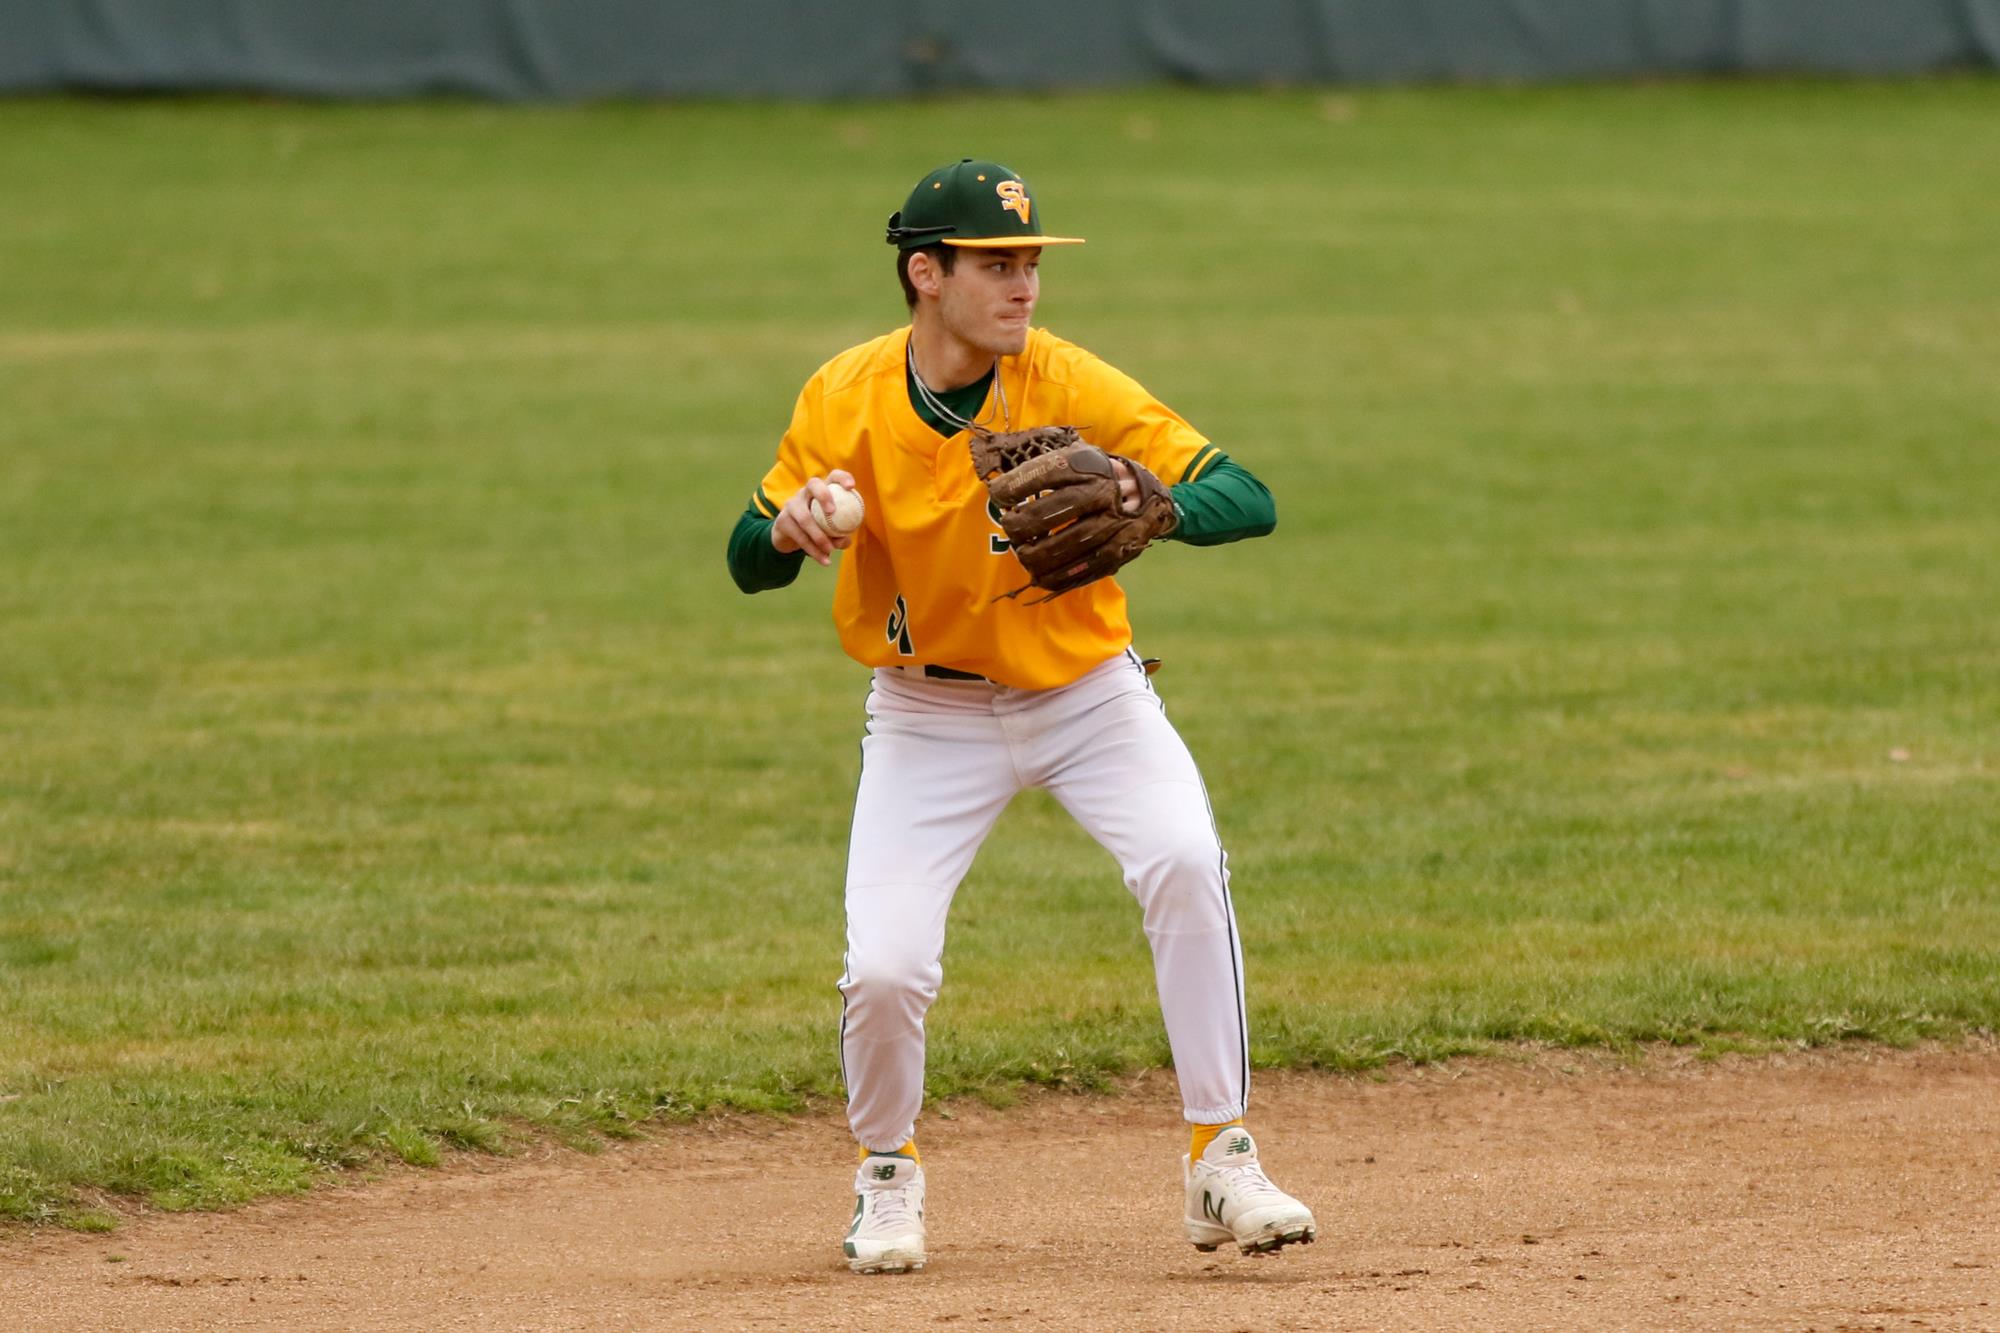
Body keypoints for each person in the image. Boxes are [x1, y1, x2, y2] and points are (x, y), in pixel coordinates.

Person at [725, 159, 1314, 1274]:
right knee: (887, 967)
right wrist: (790, 529)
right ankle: (885, 1174)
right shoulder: (843, 397)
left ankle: (1218, 1156)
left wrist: (1164, 503)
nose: (1024, 284)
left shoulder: (1065, 379)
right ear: (924, 273)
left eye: (1030, 262)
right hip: (923, 715)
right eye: (997, 264)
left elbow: (1251, 495)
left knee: (1185, 860)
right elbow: (746, 557)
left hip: (1089, 694)